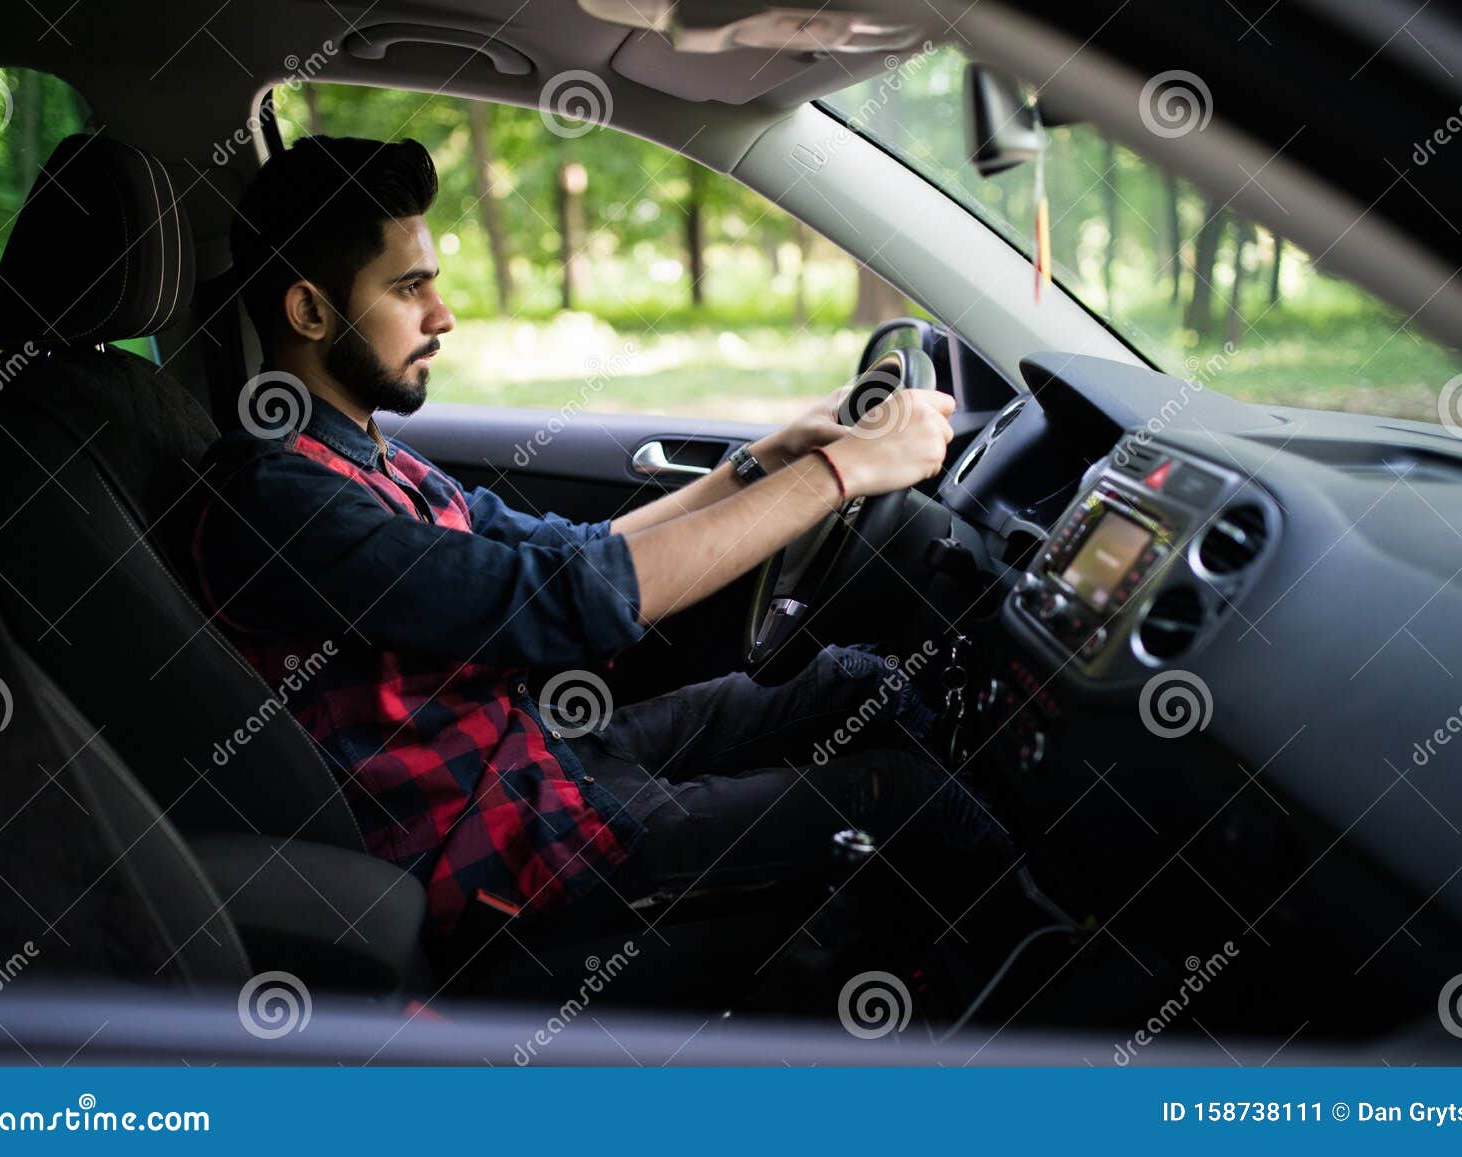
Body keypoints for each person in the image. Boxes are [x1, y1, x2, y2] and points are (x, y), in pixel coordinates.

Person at [191, 135, 1014, 969]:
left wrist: (769, 459)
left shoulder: (367, 455)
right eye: (409, 289)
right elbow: (553, 601)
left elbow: (579, 550)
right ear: (308, 312)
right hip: (499, 852)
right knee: (909, 804)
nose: (443, 315)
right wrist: (844, 472)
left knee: (851, 680)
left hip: (536, 756)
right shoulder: (279, 500)